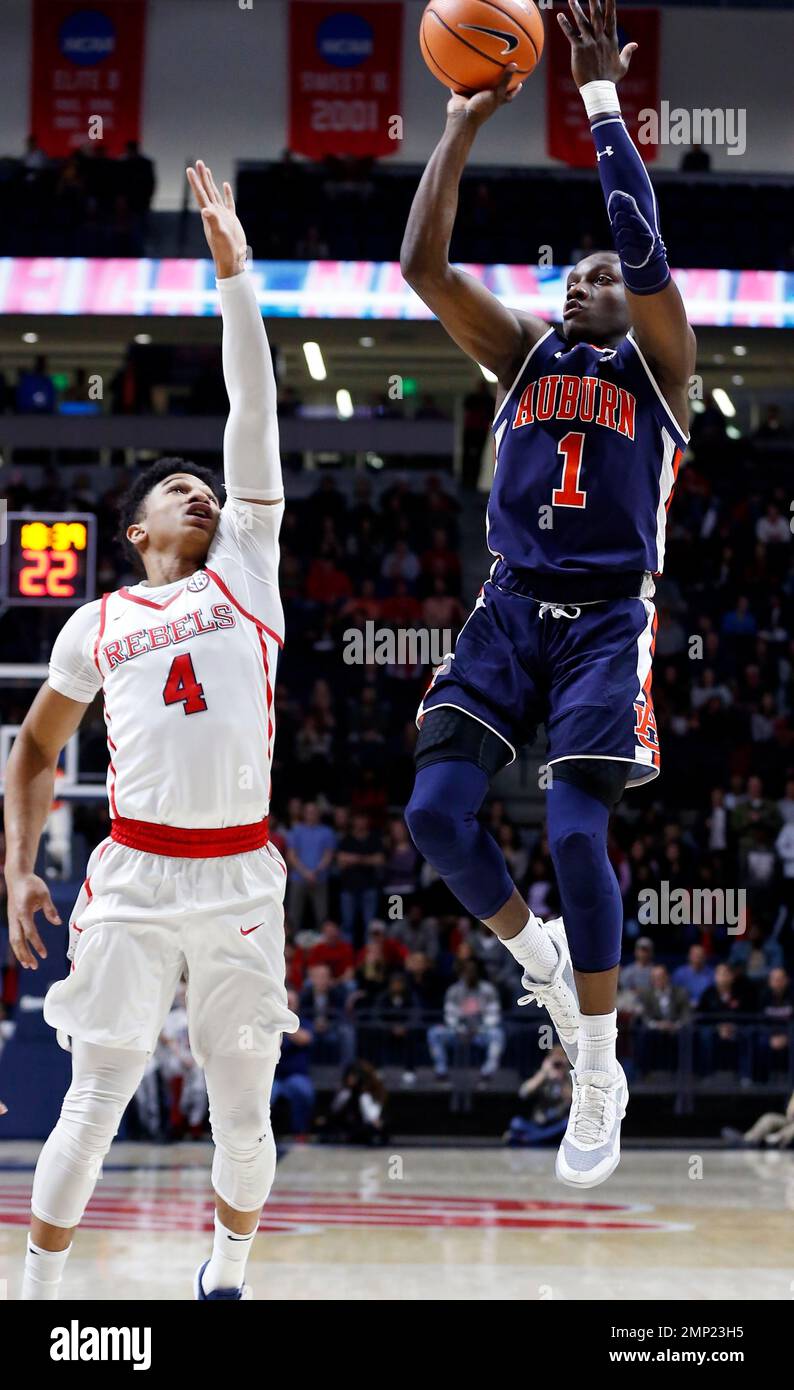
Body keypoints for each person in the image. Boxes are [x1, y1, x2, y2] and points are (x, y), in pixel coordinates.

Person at [402, 0, 695, 1187]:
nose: (581, 283)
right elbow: (420, 266)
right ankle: (535, 959)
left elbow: (645, 253)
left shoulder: (662, 368)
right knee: (432, 817)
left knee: (573, 830)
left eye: (598, 275)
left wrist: (596, 99)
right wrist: (462, 123)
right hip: (509, 605)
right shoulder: (522, 355)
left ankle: (596, 1062)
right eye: (567, 275)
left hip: (606, 620)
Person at [3, 161, 297, 1302]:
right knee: (97, 1092)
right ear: (134, 528)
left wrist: (233, 274)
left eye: (208, 486)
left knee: (241, 1099)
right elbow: (31, 751)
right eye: (178, 488)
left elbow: (252, 413)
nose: (201, 493)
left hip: (236, 879)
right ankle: (35, 1292)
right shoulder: (97, 621)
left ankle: (225, 1274)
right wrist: (19, 868)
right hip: (127, 876)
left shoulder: (250, 573)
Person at [428, 960, 505, 1081]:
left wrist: (479, 1029)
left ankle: (488, 1071)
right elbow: (450, 1016)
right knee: (434, 1033)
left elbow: (494, 1015)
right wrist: (460, 1029)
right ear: (462, 973)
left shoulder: (488, 990)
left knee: (497, 1034)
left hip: (480, 1033)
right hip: (457, 1033)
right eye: (467, 971)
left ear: (478, 973)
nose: (470, 974)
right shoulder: (454, 990)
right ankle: (441, 1070)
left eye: (473, 971)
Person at [506, 1047, 573, 1146]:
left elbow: (572, 1100)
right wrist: (543, 1073)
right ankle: (540, 1138)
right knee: (516, 1123)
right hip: (538, 1124)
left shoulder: (568, 1078)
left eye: (560, 1063)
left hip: (557, 1124)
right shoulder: (543, 1076)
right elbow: (523, 1093)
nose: (557, 1066)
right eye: (555, 1063)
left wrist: (562, 1078)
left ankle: (528, 1139)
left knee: (566, 1125)